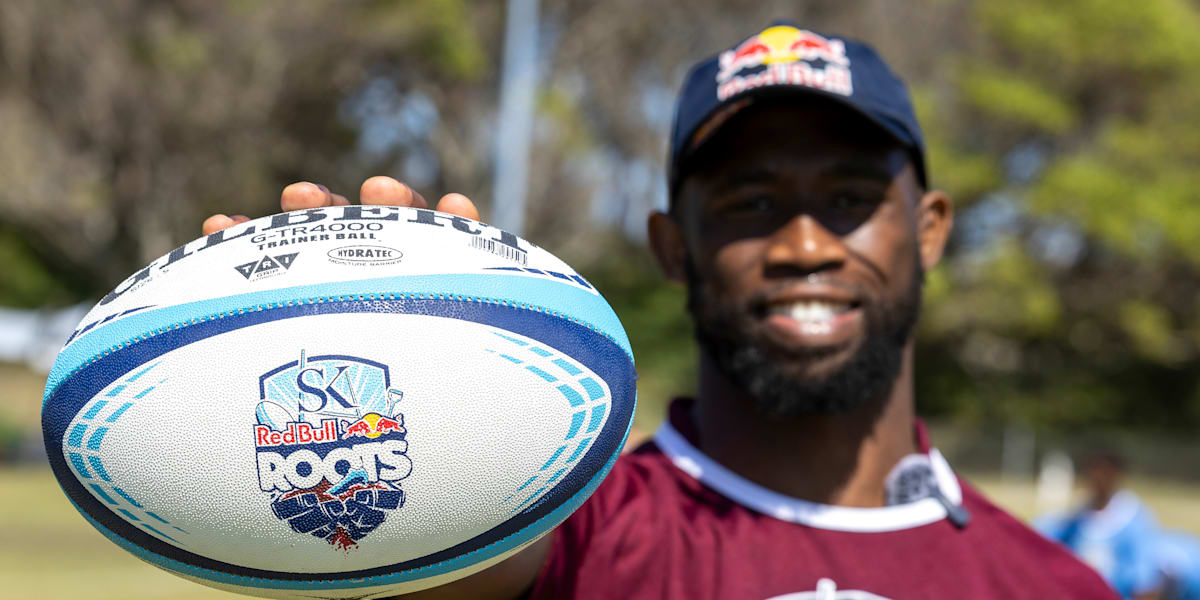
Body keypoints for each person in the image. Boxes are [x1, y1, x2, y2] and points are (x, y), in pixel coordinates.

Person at [205, 21, 1115, 599]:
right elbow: (459, 563)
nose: (804, 247)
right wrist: (371, 365)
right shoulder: (576, 527)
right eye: (751, 205)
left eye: (848, 199)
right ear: (672, 246)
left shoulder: (1055, 586)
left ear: (927, 230)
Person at [1038, 450, 1200, 600]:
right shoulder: (1074, 519)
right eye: (1093, 472)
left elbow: (1145, 583)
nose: (1097, 479)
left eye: (1104, 473)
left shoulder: (1132, 520)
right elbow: (1042, 542)